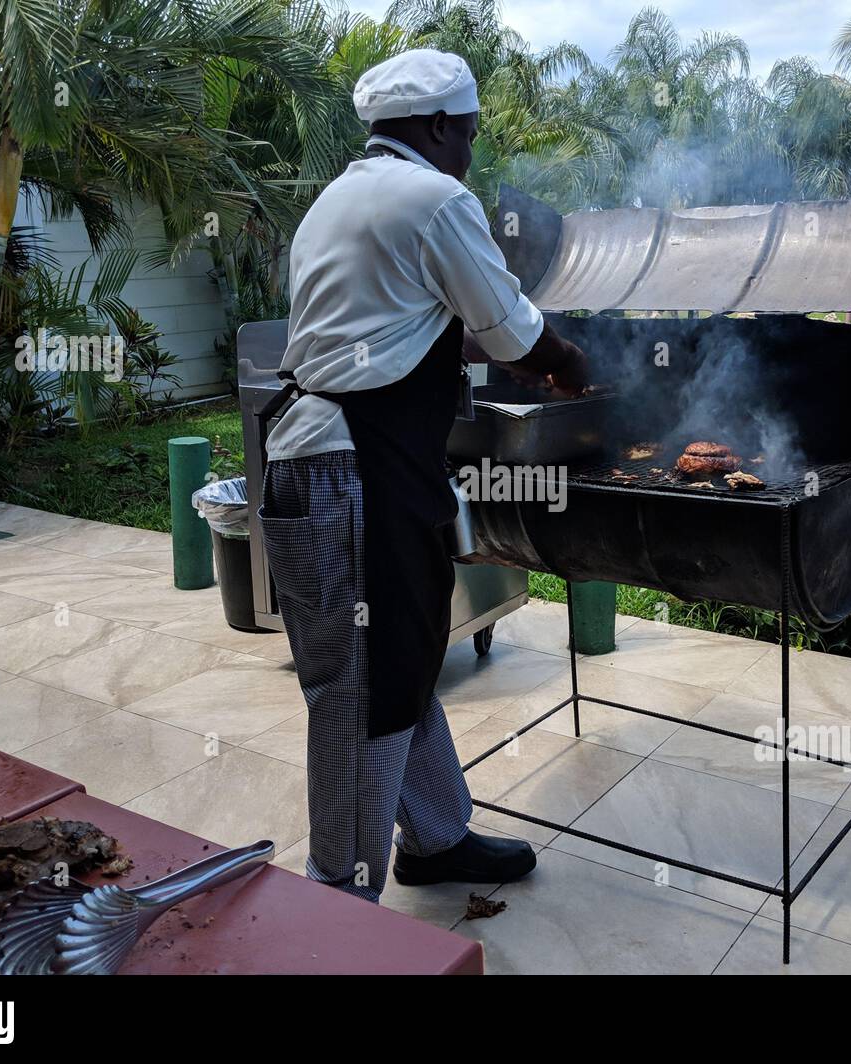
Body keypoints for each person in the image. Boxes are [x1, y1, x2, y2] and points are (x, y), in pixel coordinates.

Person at [260, 48, 588, 903]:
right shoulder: (437, 198)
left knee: (395, 656)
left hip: (316, 460)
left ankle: (437, 838)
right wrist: (566, 366)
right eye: (469, 135)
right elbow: (516, 328)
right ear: (439, 126)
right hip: (352, 471)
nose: (470, 153)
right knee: (365, 688)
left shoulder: (338, 199)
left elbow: (392, 325)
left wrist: (482, 349)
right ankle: (338, 902)